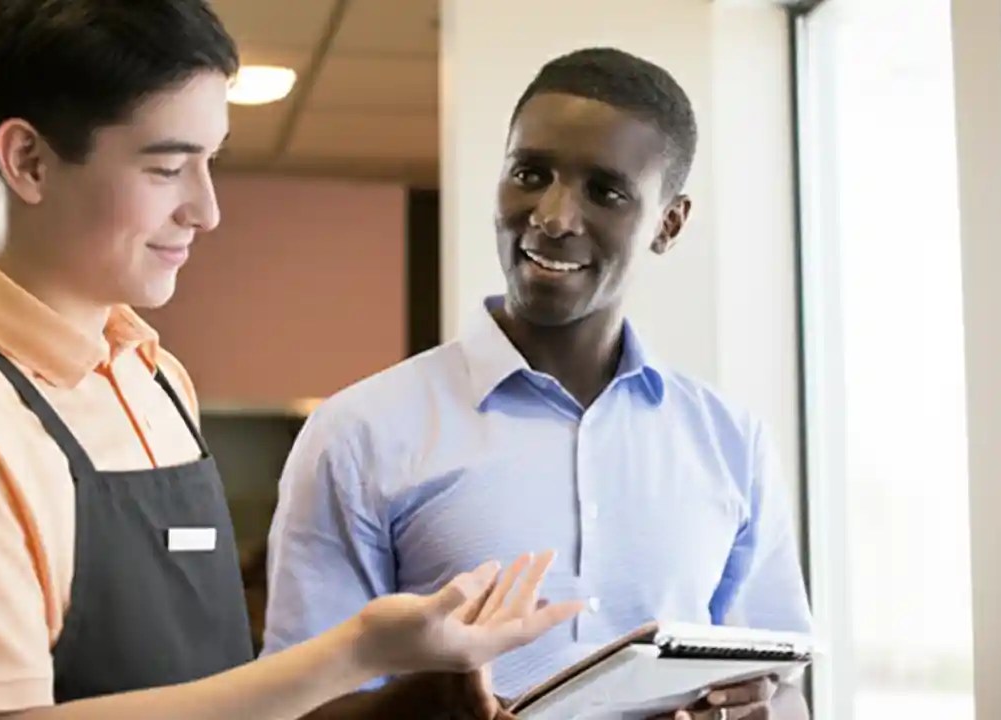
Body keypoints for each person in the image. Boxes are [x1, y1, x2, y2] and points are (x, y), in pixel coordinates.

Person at [0, 2, 582, 719]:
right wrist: (353, 651)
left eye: (211, 163)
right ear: (28, 160)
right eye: (169, 167)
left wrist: (404, 703)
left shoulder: (156, 378)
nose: (206, 209)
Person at [263, 47, 814, 720]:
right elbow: (290, 706)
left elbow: (782, 689)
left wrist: (763, 710)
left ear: (668, 224)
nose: (553, 216)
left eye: (605, 192)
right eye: (531, 173)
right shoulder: (358, 434)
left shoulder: (732, 441)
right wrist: (426, 707)